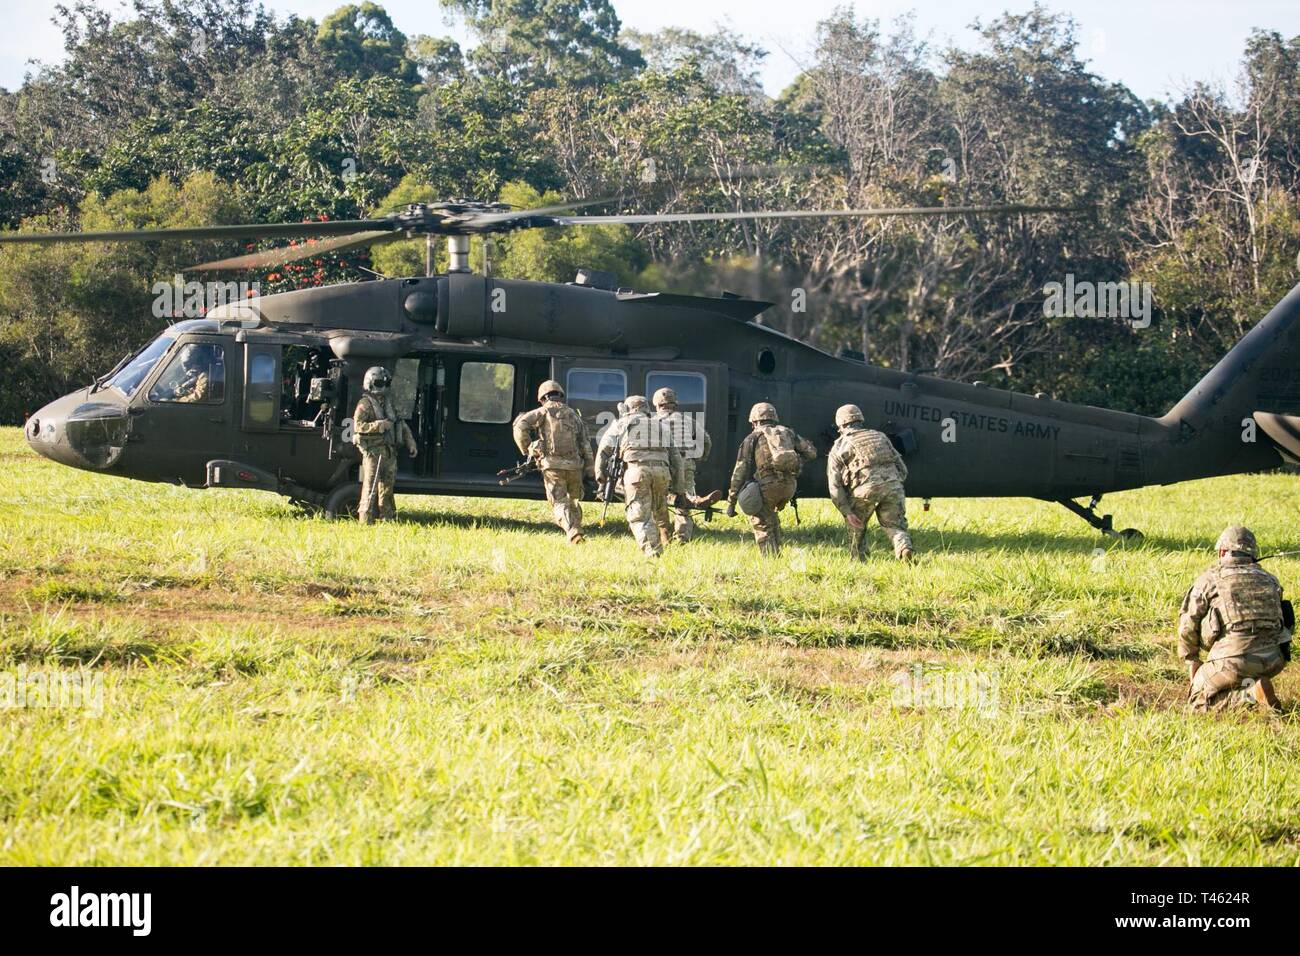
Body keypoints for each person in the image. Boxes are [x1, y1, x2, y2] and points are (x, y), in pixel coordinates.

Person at [1178, 525, 1291, 712]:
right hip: (1274, 659)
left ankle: (1251, 695)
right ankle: (1253, 686)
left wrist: (1192, 659)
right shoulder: (1271, 579)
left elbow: (1187, 625)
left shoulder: (1209, 579)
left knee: (1197, 703)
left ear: (1222, 551)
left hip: (1232, 659)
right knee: (1242, 676)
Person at [725, 402, 817, 555]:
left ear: (754, 421)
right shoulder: (788, 433)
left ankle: (770, 560)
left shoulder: (752, 437)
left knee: (761, 521)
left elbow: (740, 471)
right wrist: (797, 463)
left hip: (768, 486)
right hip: (789, 486)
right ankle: (776, 554)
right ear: (774, 418)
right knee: (771, 517)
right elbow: (811, 453)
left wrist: (731, 502)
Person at [512, 379, 595, 544]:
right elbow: (585, 444)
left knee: (559, 502)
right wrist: (590, 469)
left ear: (543, 397)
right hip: (574, 467)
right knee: (573, 501)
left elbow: (520, 426)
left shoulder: (541, 412)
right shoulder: (573, 415)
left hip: (552, 466)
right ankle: (576, 531)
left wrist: (528, 449)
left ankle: (573, 533)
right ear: (560, 396)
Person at [826, 404, 914, 561]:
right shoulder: (880, 436)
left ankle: (859, 561)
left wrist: (847, 512)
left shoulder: (839, 446)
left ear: (840, 424)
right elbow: (902, 469)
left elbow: (835, 485)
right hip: (893, 486)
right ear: (860, 419)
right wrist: (893, 485)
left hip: (864, 491)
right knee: (894, 526)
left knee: (856, 527)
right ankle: (903, 547)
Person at [609, 395, 684, 557]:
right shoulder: (660, 426)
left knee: (639, 516)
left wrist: (600, 477)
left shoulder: (621, 424)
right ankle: (664, 538)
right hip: (662, 473)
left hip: (637, 471)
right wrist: (679, 488)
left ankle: (653, 552)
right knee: (659, 509)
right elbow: (676, 458)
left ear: (628, 409)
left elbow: (604, 450)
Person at [352, 366, 418, 524]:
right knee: (370, 488)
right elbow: (359, 426)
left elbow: (401, 424)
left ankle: (387, 520)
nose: (383, 386)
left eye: (385, 382)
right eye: (380, 382)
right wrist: (379, 425)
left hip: (389, 452)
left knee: (387, 490)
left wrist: (411, 442)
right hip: (373, 453)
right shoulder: (365, 404)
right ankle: (365, 521)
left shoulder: (389, 403)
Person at [653, 386, 712, 543]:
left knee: (658, 500)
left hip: (661, 466)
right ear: (675, 404)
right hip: (686, 465)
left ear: (657, 405)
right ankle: (682, 538)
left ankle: (661, 534)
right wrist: (699, 458)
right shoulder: (688, 421)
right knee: (684, 502)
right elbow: (706, 440)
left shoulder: (652, 422)